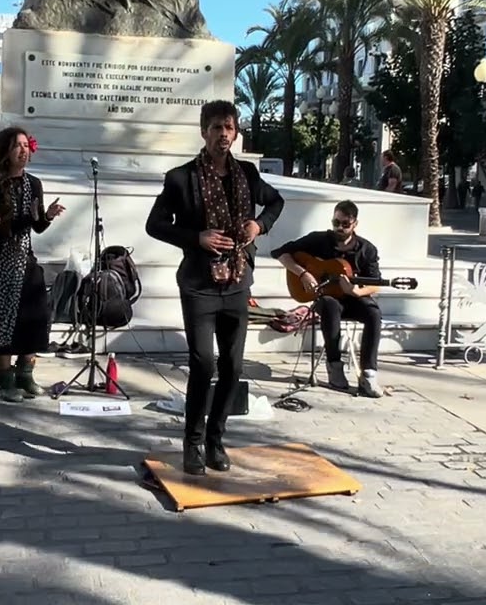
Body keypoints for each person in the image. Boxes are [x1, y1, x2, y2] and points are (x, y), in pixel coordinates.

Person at [146, 100, 285, 476]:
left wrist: (259, 226)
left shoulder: (247, 174)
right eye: (216, 128)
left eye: (229, 127)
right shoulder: (181, 178)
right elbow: (155, 225)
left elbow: (275, 202)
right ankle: (192, 441)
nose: (223, 135)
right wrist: (197, 237)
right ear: (203, 132)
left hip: (237, 282)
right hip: (198, 284)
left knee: (232, 366)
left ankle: (215, 441)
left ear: (236, 132)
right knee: (203, 362)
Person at [0, 127, 66, 402]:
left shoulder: (34, 183)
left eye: (26, 145)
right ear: (5, 151)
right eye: (17, 146)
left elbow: (35, 226)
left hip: (25, 257)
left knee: (37, 314)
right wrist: (30, 219)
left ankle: (26, 373)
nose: (23, 151)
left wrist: (47, 216)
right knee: (1, 317)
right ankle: (5, 377)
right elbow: (3, 226)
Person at [272, 200, 385, 398]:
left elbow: (376, 284)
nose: (339, 228)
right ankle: (334, 366)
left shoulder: (367, 250)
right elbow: (281, 253)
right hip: (326, 298)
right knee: (331, 306)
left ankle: (368, 373)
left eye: (345, 224)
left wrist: (355, 292)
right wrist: (303, 274)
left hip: (353, 299)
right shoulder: (319, 240)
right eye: (336, 222)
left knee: (374, 313)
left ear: (355, 224)